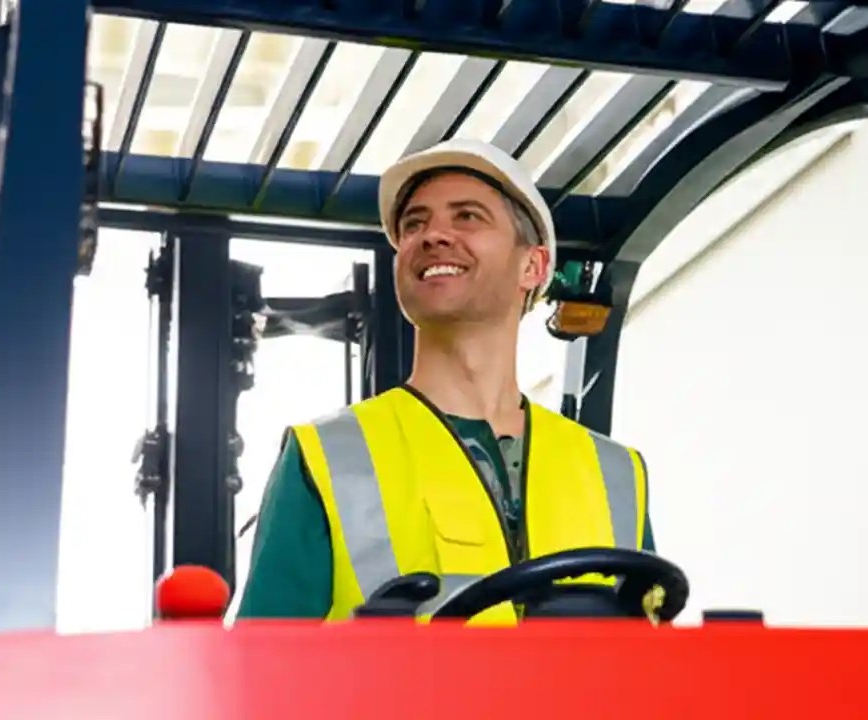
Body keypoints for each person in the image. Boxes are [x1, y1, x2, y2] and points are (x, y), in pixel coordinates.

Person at [234, 139, 655, 624]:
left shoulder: (618, 474)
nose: (432, 235)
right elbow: (261, 669)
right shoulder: (325, 456)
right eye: (414, 224)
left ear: (533, 266)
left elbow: (656, 671)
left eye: (467, 217)